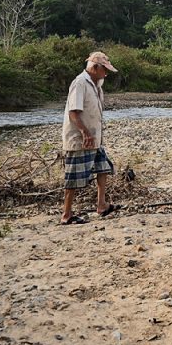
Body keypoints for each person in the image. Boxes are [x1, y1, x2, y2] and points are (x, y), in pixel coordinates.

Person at [60, 51, 118, 224]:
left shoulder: (96, 84)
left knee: (103, 168)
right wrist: (85, 133)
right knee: (74, 177)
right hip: (80, 139)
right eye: (104, 70)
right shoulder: (80, 83)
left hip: (95, 138)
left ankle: (101, 205)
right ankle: (66, 215)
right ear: (94, 67)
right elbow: (73, 113)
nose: (106, 73)